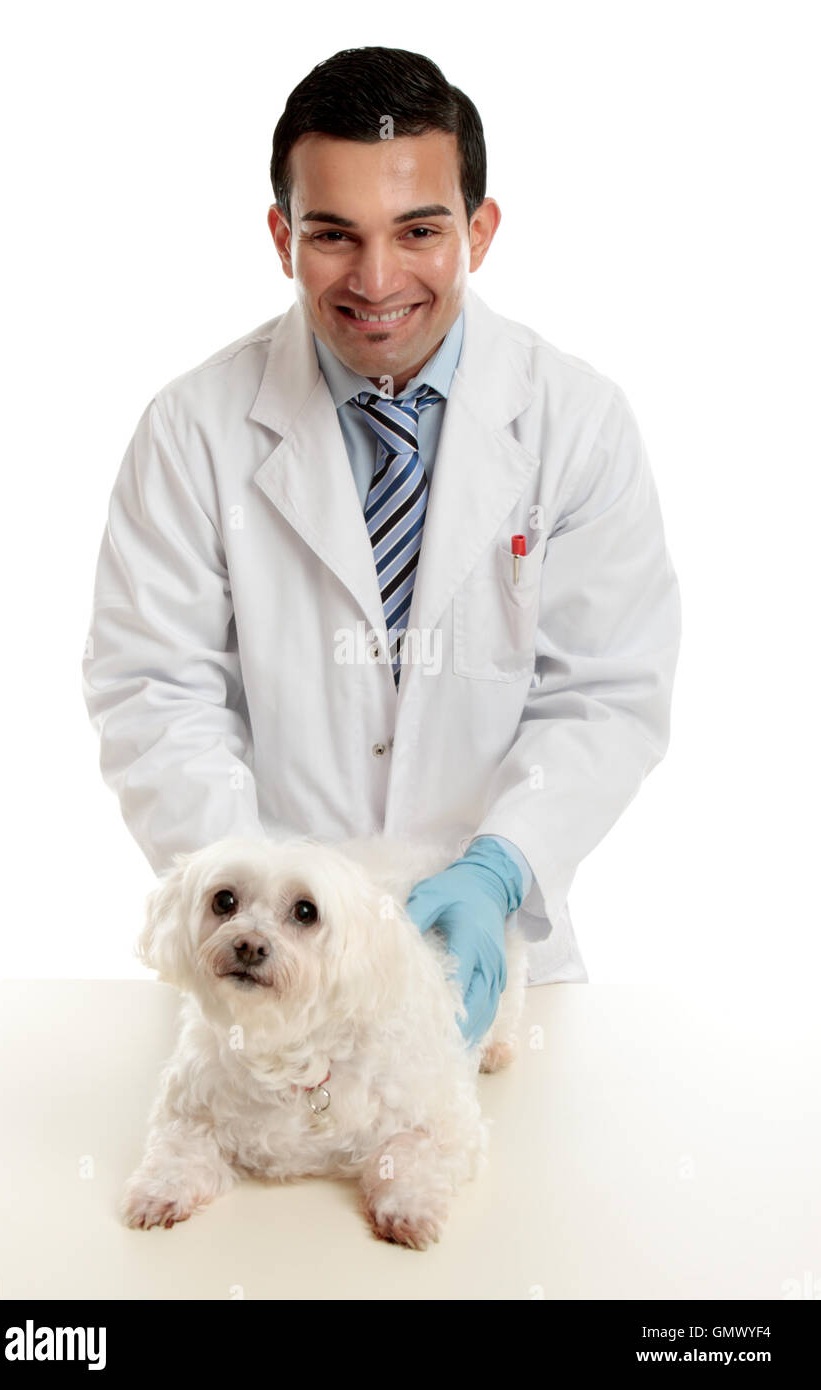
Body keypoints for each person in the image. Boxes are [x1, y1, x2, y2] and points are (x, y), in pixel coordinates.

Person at [82, 46, 681, 1047]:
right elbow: (154, 692)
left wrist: (500, 869)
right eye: (332, 234)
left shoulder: (574, 422)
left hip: (497, 969)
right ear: (281, 236)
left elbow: (607, 692)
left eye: (418, 231)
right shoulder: (192, 430)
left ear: (478, 231)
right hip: (263, 989)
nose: (375, 278)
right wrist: (272, 909)